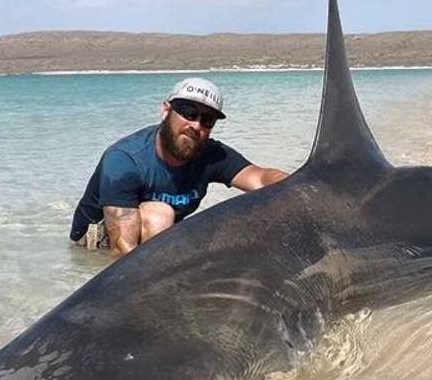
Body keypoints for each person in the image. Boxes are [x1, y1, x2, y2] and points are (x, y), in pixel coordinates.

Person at [69, 77, 288, 256]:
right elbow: (122, 249)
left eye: (207, 120)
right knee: (159, 216)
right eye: (188, 112)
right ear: (166, 110)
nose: (196, 125)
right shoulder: (124, 160)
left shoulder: (211, 154)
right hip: (96, 240)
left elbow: (261, 179)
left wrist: (299, 186)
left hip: (157, 236)